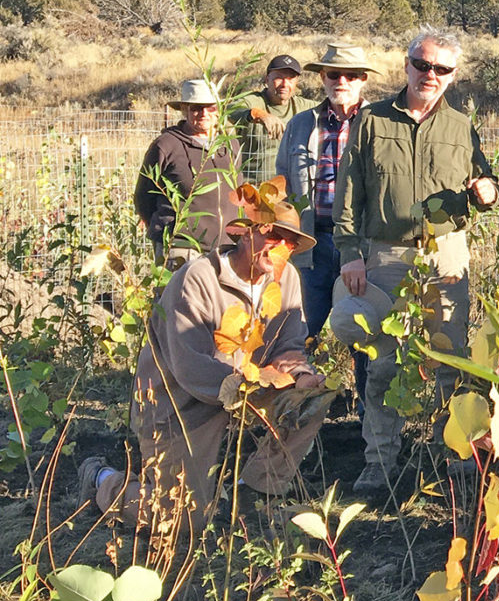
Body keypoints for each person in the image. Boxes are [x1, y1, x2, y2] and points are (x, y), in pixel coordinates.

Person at [81, 179, 335, 537]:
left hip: (244, 393)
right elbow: (192, 370)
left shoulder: (286, 277)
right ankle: (103, 480)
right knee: (182, 520)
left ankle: (254, 492)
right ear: (246, 234)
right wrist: (256, 385)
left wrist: (301, 375)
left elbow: (288, 346)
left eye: (289, 242)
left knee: (312, 399)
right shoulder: (198, 279)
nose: (280, 248)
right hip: (181, 408)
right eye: (270, 235)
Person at [335, 27, 499, 496]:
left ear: (453, 75)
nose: (430, 75)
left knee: (450, 357)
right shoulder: (371, 121)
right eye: (422, 65)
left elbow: (483, 181)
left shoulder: (460, 127)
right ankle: (379, 462)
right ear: (406, 64)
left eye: (441, 69)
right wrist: (351, 253)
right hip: (386, 253)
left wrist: (488, 191)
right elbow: (348, 195)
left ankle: (453, 455)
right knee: (383, 361)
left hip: (446, 253)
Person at [278, 42, 378, 415]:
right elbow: (284, 183)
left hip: (363, 247)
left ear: (363, 80)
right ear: (321, 77)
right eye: (334, 74)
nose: (342, 81)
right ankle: (295, 416)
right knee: (298, 333)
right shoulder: (301, 124)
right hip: (311, 244)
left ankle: (370, 423)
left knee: (365, 335)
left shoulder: (379, 123)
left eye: (351, 76)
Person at [134, 78, 242, 269]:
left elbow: (238, 192)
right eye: (195, 108)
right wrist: (169, 230)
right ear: (184, 109)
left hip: (226, 249)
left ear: (218, 110)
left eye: (210, 108)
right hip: (182, 249)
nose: (203, 114)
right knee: (179, 299)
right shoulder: (166, 145)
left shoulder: (230, 144)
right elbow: (144, 196)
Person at [232, 55, 313, 181]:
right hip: (253, 189)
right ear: (267, 79)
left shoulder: (303, 106)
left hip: (289, 189)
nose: (285, 84)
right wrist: (259, 114)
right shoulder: (254, 101)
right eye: (279, 78)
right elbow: (229, 110)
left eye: (290, 78)